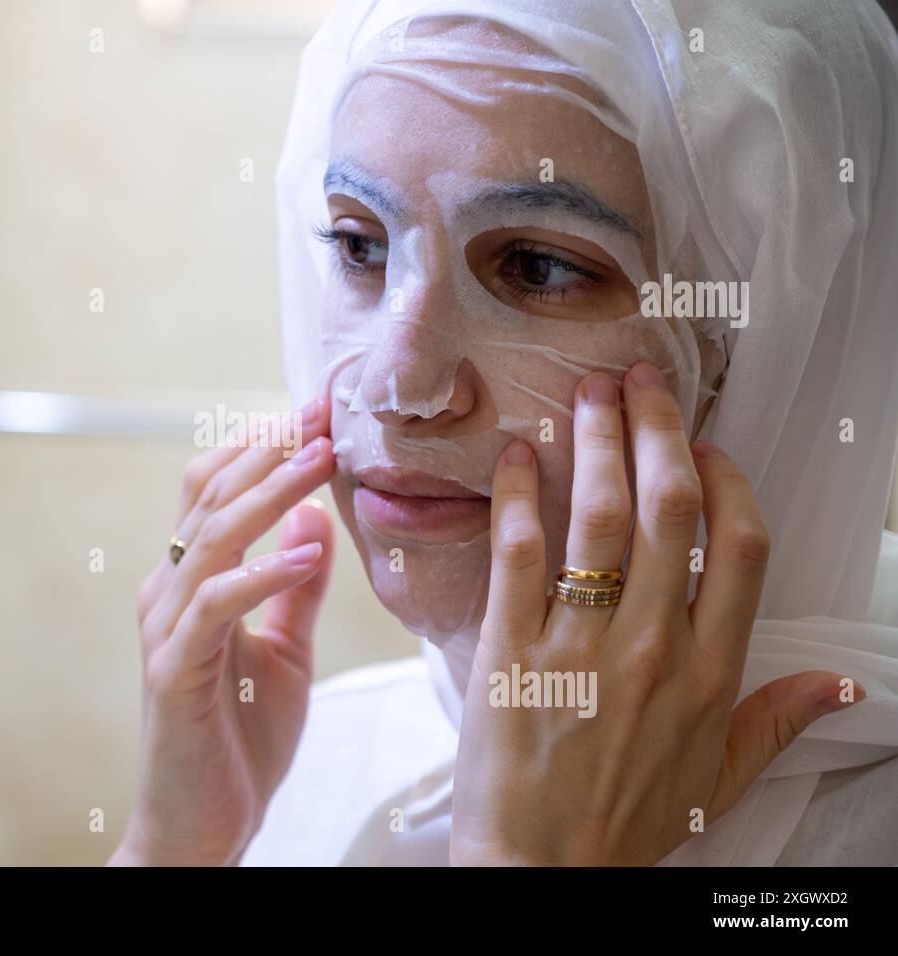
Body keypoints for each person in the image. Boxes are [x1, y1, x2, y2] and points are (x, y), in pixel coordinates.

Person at [110, 0, 898, 866]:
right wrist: (173, 843)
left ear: (770, 347)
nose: (396, 385)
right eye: (360, 248)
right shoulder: (315, 763)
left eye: (538, 267)